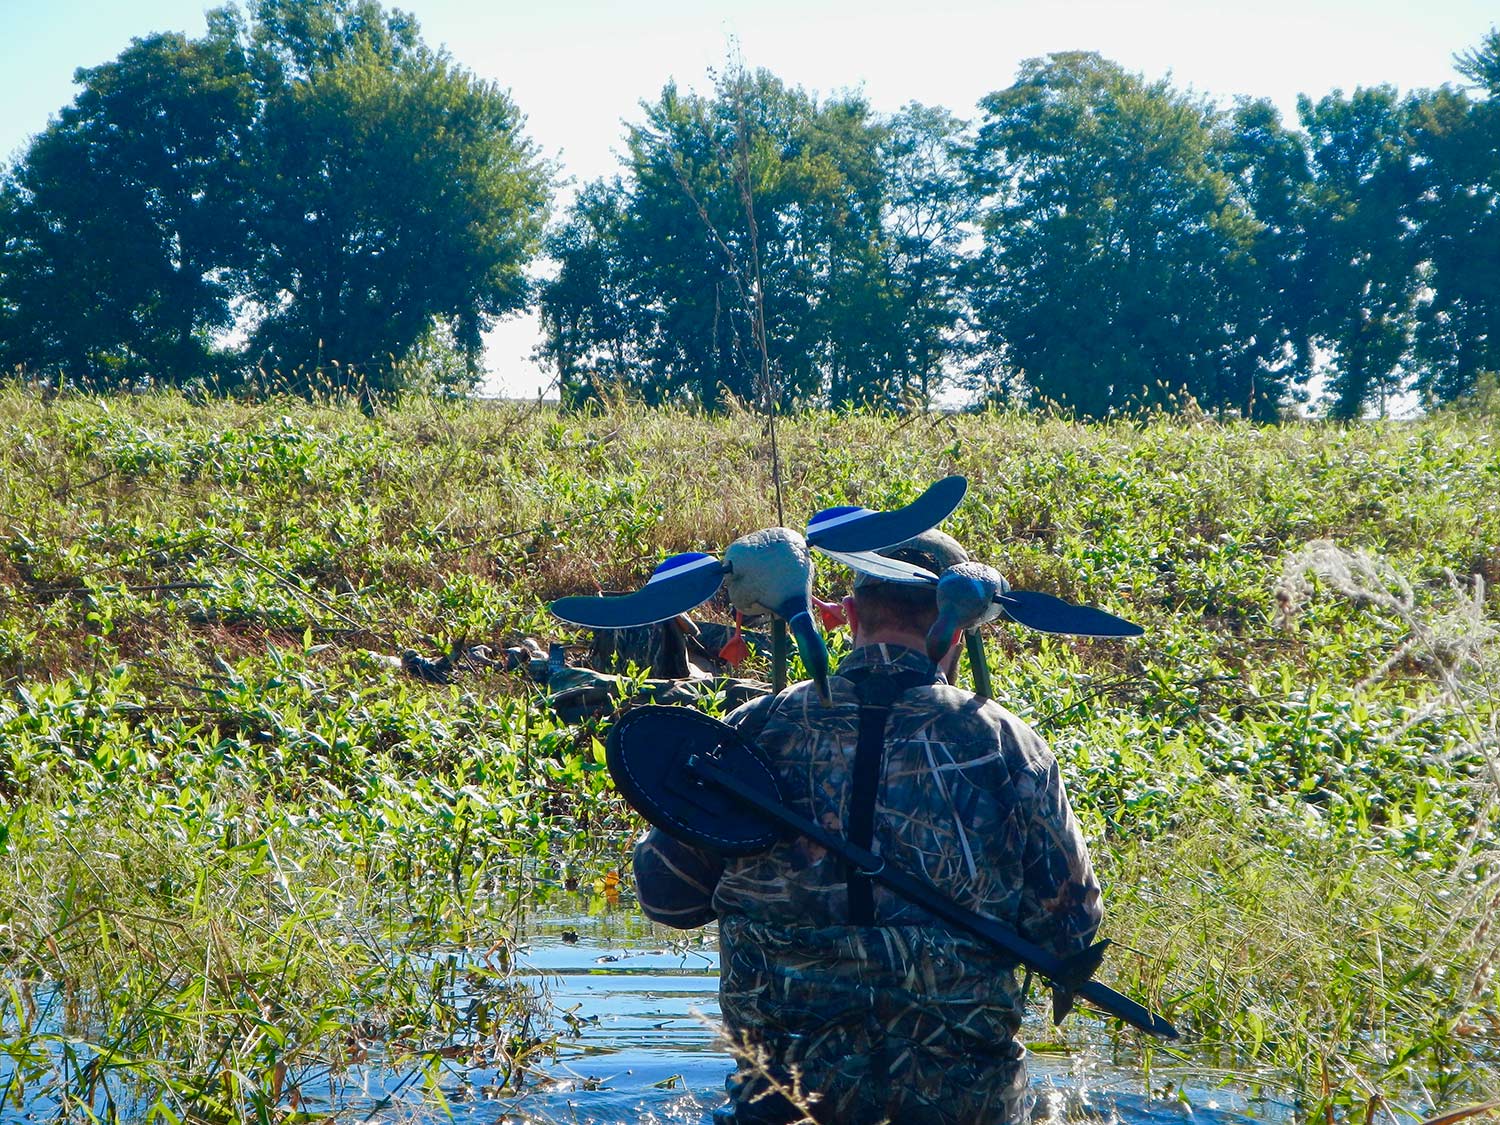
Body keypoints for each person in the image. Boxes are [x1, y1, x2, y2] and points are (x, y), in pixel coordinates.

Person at [632, 531, 1103, 1124]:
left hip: (788, 1096)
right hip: (960, 1097)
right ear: (959, 629)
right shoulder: (1007, 742)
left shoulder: (757, 727)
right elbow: (1070, 927)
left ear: (850, 615)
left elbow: (664, 898)